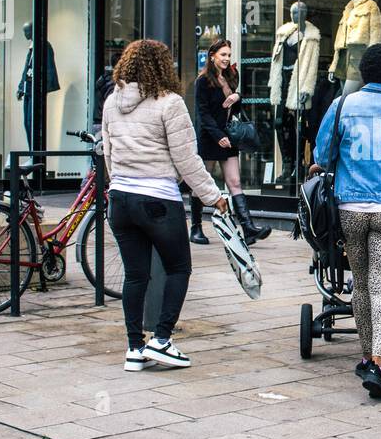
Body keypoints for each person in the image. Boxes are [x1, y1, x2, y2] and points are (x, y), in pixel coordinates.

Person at [102, 39, 230, 373]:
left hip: (120, 198)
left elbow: (109, 151)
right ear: (163, 66)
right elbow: (186, 159)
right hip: (157, 198)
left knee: (135, 275)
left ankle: (134, 347)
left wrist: (118, 182)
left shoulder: (111, 102)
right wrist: (213, 196)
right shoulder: (170, 103)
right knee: (178, 268)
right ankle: (161, 339)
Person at [312, 43, 381, 401]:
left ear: (362, 74)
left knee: (360, 284)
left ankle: (366, 357)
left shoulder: (342, 106)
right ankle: (378, 361)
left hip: (352, 208)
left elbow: (322, 156)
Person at [193, 39, 271, 247]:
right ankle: (196, 227)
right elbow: (203, 114)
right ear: (212, 56)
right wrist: (218, 136)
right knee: (203, 182)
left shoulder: (231, 77)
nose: (226, 59)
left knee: (234, 181)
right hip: (211, 137)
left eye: (228, 55)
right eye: (223, 55)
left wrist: (237, 96)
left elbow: (234, 110)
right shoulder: (202, 81)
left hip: (229, 136)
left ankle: (248, 229)